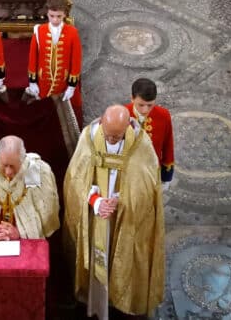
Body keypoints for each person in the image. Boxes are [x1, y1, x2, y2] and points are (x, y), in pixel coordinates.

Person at [63, 105, 165, 317]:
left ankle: (121, 299)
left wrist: (121, 199)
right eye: (108, 135)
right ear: (101, 122)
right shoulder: (89, 138)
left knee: (123, 258)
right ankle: (95, 302)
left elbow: (147, 184)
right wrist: (96, 201)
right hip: (95, 215)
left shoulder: (140, 144)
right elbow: (75, 179)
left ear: (128, 126)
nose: (111, 140)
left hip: (125, 216)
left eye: (116, 137)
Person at [0, 135, 59, 240]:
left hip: (25, 242)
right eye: (4, 165)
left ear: (22, 160)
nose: (8, 172)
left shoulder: (39, 171)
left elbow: (48, 217)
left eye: (12, 166)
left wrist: (21, 232)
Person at [26, 0, 83, 104]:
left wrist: (71, 86)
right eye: (51, 16)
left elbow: (76, 60)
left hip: (63, 82)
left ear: (64, 14)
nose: (55, 20)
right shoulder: (39, 31)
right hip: (43, 82)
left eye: (59, 16)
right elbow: (33, 57)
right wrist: (32, 82)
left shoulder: (73, 32)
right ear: (47, 13)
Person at [126, 77, 175, 183]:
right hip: (127, 174)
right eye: (141, 105)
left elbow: (168, 144)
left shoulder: (164, 115)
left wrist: (166, 175)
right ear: (132, 99)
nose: (145, 110)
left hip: (152, 172)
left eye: (150, 105)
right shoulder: (122, 114)